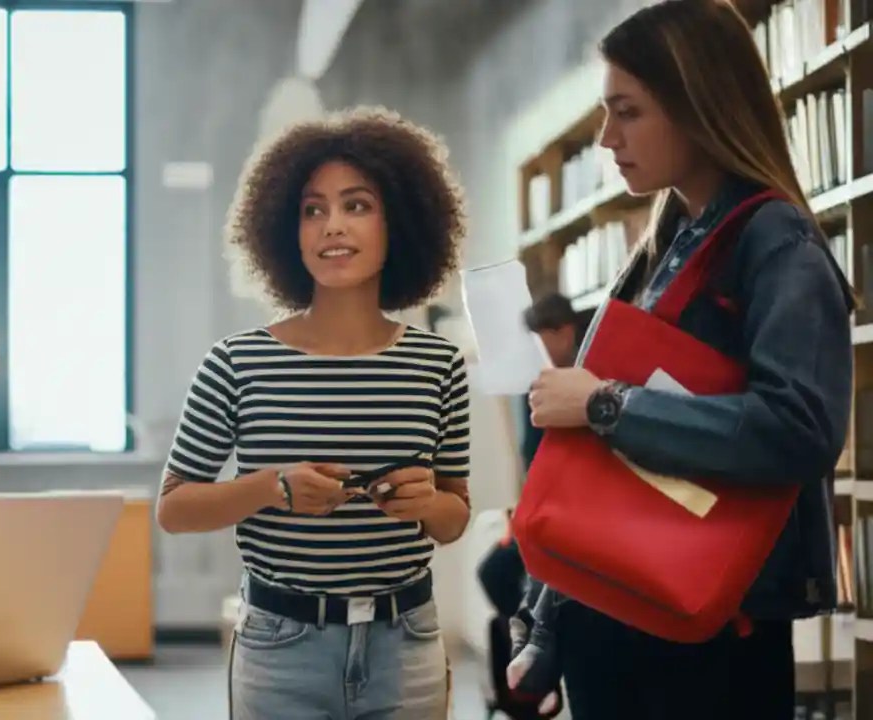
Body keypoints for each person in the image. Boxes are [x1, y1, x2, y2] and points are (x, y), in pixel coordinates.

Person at [513, 2, 854, 718]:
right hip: (621, 608)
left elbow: (800, 428)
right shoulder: (662, 245)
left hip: (705, 627)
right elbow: (601, 472)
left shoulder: (773, 241)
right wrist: (545, 624)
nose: (607, 139)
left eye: (628, 112)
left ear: (698, 105)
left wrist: (606, 405)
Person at [155, 107, 472, 719]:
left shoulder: (439, 365)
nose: (332, 226)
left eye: (357, 205)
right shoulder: (235, 362)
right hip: (280, 648)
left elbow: (454, 516)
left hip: (406, 644)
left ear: (398, 222)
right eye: (312, 209)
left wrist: (425, 503)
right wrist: (272, 488)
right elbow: (174, 507)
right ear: (285, 228)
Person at [519, 292, 581, 469]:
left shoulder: (592, 378)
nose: (533, 351)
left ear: (565, 334)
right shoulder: (536, 385)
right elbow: (531, 450)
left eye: (539, 342)